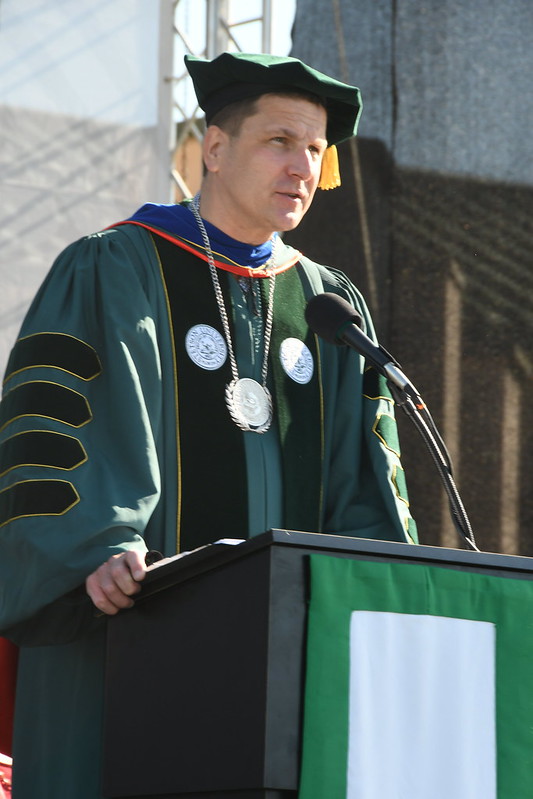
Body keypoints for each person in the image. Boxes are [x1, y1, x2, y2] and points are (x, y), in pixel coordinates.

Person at [0, 52, 417, 797]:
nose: (301, 166)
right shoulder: (116, 266)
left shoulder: (327, 304)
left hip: (286, 653)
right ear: (215, 149)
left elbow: (364, 487)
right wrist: (100, 550)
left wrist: (376, 590)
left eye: (315, 149)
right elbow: (60, 440)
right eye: (279, 141)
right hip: (123, 627)